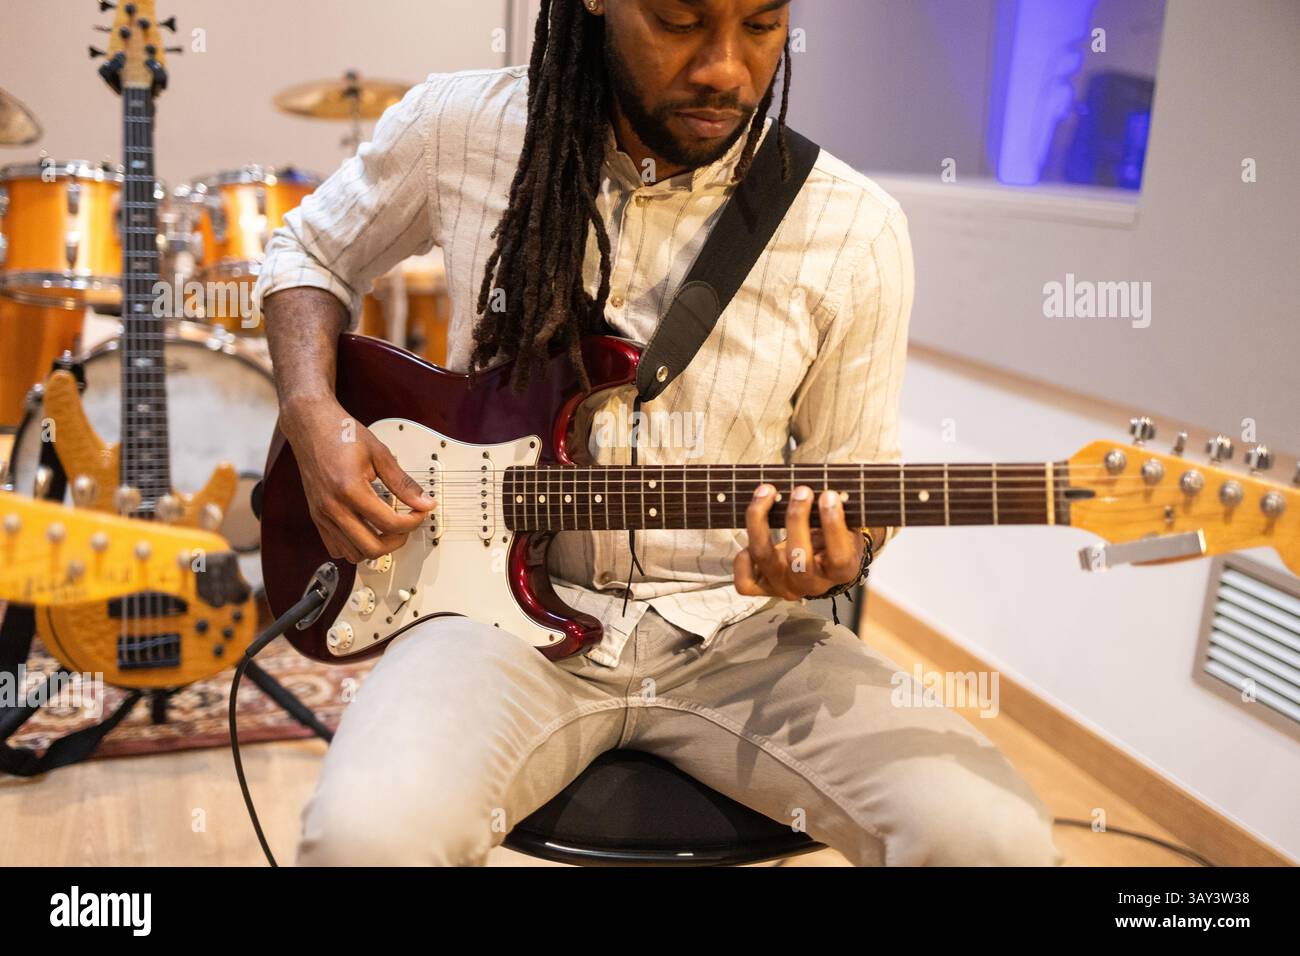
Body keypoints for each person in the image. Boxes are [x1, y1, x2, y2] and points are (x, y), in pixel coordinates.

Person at [254, 0, 1062, 866]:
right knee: (363, 840)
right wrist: (312, 414)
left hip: (742, 638)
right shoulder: (459, 130)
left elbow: (854, 481)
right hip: (485, 630)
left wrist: (838, 552)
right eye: (679, 20)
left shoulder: (853, 230)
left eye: (760, 25)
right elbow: (308, 253)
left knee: (993, 838)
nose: (725, 68)